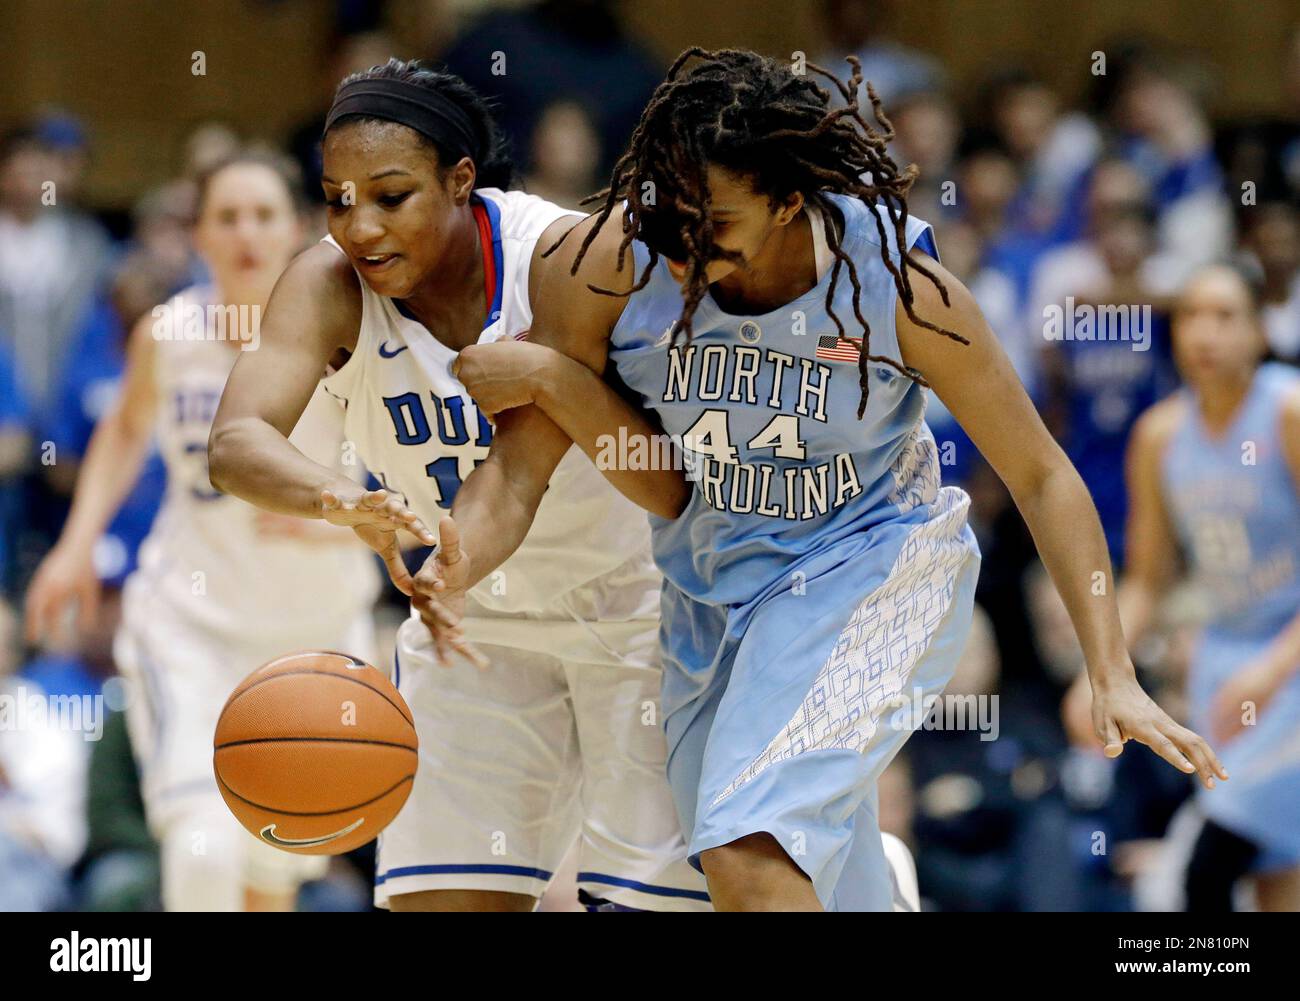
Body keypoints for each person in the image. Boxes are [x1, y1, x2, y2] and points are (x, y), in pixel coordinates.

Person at [425, 48, 1226, 911]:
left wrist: (1111, 669)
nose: (683, 245)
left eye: (714, 221)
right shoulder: (610, 262)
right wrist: (452, 559)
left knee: (750, 853)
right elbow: (524, 468)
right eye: (668, 213)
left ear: (787, 200)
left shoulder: (900, 285)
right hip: (711, 595)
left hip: (874, 566)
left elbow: (1039, 473)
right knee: (765, 879)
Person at [207, 60, 710, 912]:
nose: (358, 226)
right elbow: (235, 441)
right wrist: (340, 497)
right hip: (476, 627)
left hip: (635, 613)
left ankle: (866, 878)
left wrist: (446, 563)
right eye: (336, 198)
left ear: (460, 180)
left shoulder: (559, 258)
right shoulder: (326, 283)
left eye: (390, 195)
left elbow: (515, 474)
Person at [24, 151, 382, 912]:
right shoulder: (170, 333)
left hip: (313, 636)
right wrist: (75, 544)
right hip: (190, 626)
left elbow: (408, 488)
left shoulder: (358, 337)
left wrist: (337, 517)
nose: (246, 232)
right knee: (202, 845)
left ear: (299, 229)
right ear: (198, 235)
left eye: (263, 215)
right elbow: (123, 434)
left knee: (267, 877)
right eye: (227, 216)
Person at [1070, 266, 1300, 911]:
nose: (1206, 331)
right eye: (1192, 314)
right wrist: (1100, 672)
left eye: (1226, 315)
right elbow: (1149, 580)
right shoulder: (1160, 435)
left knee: (1214, 860)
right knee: (1276, 871)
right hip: (1225, 663)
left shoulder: (1288, 412)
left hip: (1289, 659)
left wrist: (1272, 670)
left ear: (1259, 329)